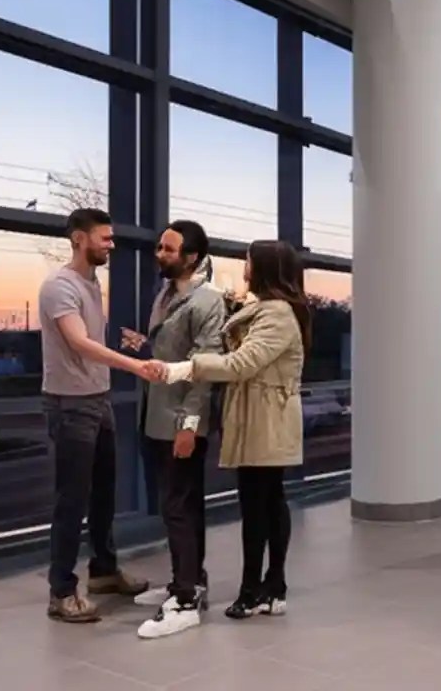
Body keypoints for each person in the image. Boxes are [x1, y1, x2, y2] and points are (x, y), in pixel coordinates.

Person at [148, 239, 309, 620]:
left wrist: (186, 368)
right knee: (268, 501)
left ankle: (255, 590)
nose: (244, 268)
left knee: (258, 505)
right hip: (260, 414)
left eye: (249, 261)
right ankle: (272, 587)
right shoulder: (263, 308)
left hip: (265, 418)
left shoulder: (278, 314)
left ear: (265, 268)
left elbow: (241, 363)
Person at [38, 207, 154, 623]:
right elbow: (80, 342)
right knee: (71, 502)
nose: (111, 244)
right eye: (103, 238)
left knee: (104, 493)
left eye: (111, 237)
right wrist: (135, 366)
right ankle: (61, 592)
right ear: (78, 239)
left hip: (97, 400)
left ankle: (103, 572)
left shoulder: (92, 283)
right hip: (71, 407)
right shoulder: (58, 286)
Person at [119, 221, 227, 640]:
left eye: (168, 249)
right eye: (160, 246)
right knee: (178, 507)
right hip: (155, 417)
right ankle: (189, 581)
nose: (159, 253)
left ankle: (184, 601)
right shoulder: (165, 294)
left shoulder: (207, 302)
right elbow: (169, 353)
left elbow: (203, 371)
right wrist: (145, 347)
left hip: (180, 421)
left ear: (191, 257)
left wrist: (189, 426)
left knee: (180, 509)